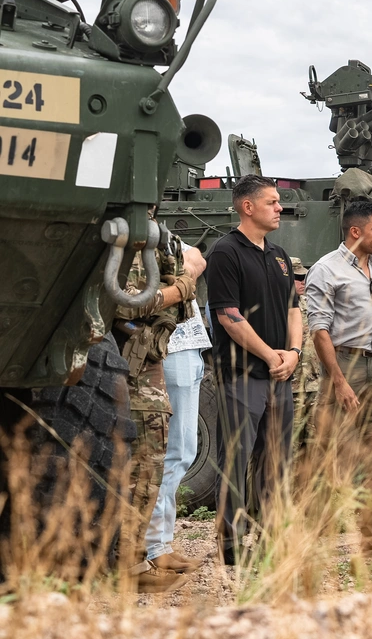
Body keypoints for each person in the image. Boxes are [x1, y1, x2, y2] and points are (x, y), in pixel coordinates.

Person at [205, 174, 302, 565]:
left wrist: (293, 351)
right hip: (242, 376)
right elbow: (228, 315)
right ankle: (230, 545)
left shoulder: (278, 254)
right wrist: (269, 355)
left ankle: (270, 537)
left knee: (276, 460)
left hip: (280, 376)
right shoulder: (225, 252)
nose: (280, 208)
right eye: (273, 202)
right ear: (248, 207)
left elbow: (295, 308)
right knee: (237, 459)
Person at [113, 224, 197, 592]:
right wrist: (176, 290)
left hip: (147, 361)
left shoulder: (154, 240)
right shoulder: (127, 240)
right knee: (143, 467)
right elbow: (126, 302)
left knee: (151, 464)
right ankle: (131, 567)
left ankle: (140, 558)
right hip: (132, 368)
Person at [306, 199, 372, 487]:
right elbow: (319, 330)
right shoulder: (326, 269)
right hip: (345, 363)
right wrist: (338, 381)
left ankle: (370, 514)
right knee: (334, 440)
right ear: (355, 231)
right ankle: (327, 513)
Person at [143, 242, 210, 575]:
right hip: (173, 347)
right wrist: (183, 277)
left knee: (182, 450)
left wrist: (181, 273)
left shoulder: (165, 239)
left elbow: (197, 258)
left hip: (189, 346)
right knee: (174, 451)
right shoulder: (148, 240)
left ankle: (161, 543)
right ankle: (155, 545)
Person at [289, 256, 323, 444]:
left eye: (304, 278)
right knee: (289, 446)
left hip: (314, 386)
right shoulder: (273, 306)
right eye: (298, 278)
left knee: (315, 446)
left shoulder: (310, 304)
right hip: (289, 389)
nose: (303, 282)